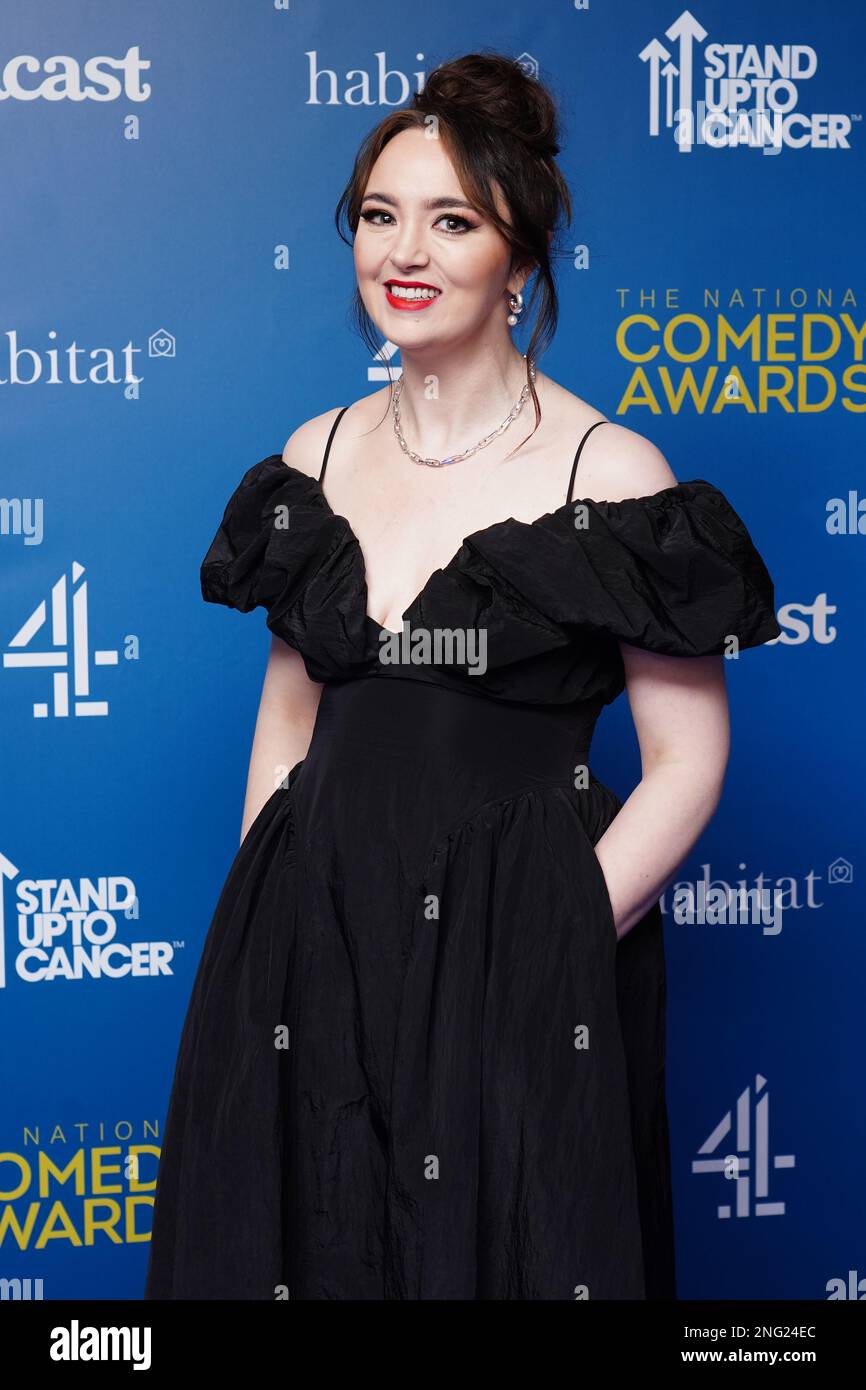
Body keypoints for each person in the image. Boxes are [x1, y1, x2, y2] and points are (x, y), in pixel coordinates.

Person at [144, 52, 780, 1301]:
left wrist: (541, 946)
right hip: (315, 940)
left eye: (451, 220)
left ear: (521, 259)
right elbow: (288, 722)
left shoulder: (610, 473)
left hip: (514, 941)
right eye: (380, 216)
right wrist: (269, 943)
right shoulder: (313, 453)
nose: (404, 250)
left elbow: (687, 761)